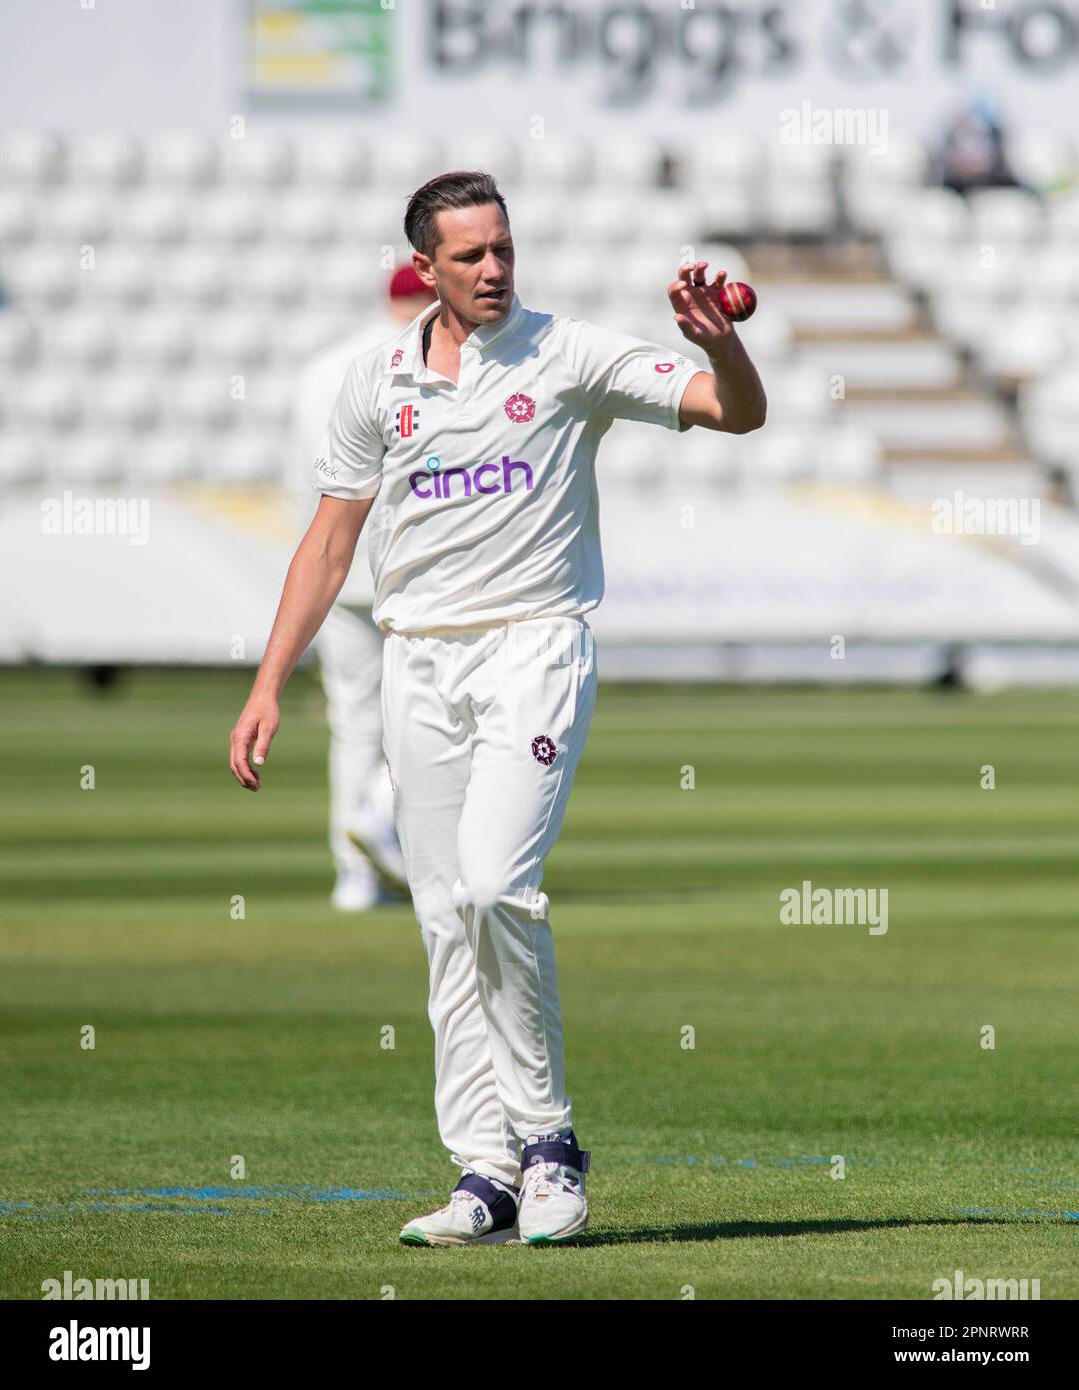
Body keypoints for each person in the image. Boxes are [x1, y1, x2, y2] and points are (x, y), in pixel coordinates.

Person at [229, 170, 766, 1246]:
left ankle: (551, 1145)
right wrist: (267, 682)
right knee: (439, 917)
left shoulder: (568, 352)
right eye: (469, 256)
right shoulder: (376, 379)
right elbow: (332, 540)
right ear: (424, 266)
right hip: (416, 661)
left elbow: (736, 413)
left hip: (533, 646)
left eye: (504, 248)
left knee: (492, 886)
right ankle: (484, 1168)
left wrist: (722, 343)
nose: (493, 269)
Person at [290, 266, 436, 910]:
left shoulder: (322, 366)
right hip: (409, 565)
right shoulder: (420, 361)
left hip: (335, 565)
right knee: (437, 708)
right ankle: (379, 816)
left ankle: (355, 874)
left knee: (354, 722)